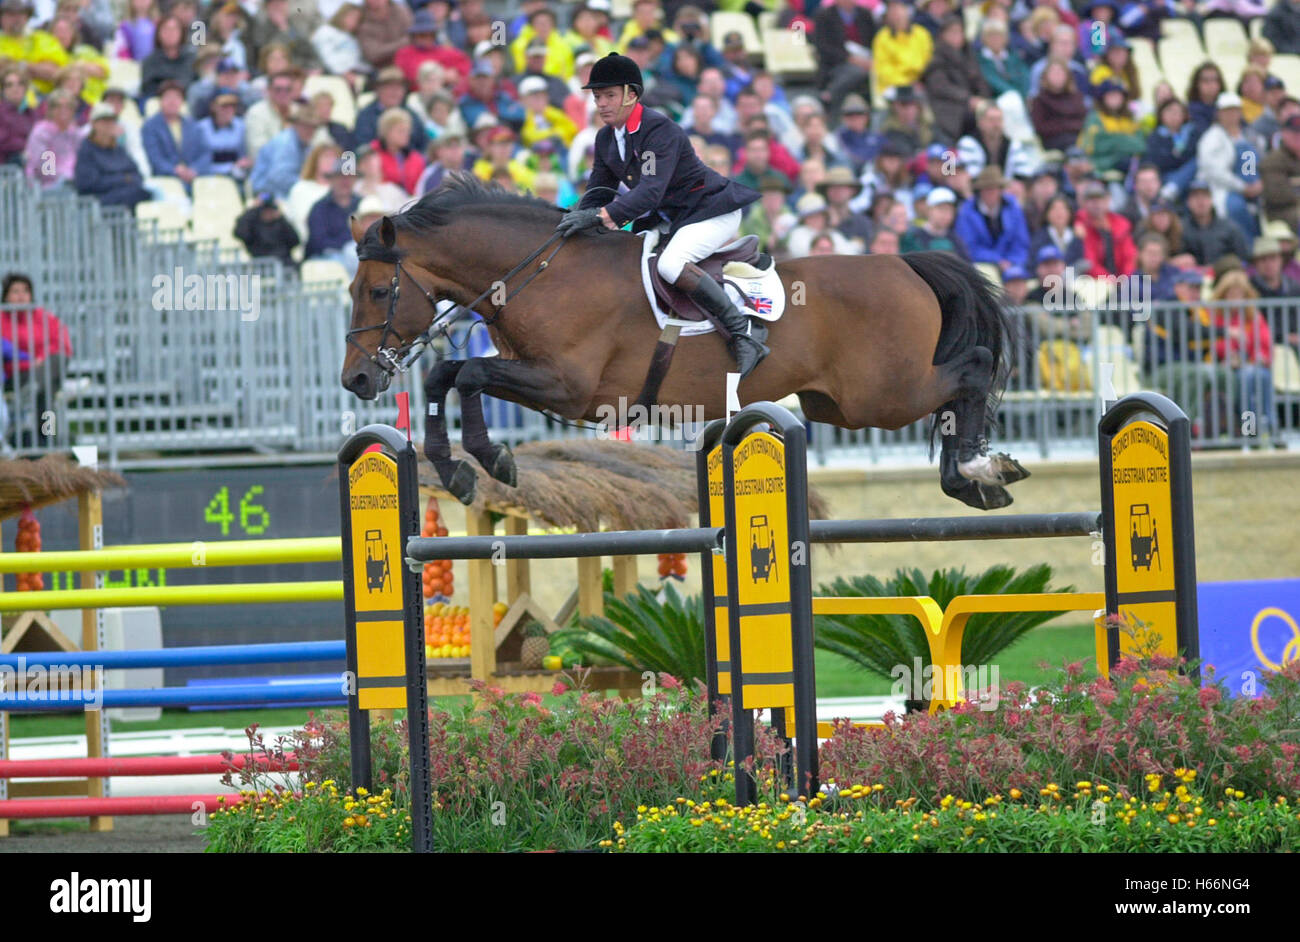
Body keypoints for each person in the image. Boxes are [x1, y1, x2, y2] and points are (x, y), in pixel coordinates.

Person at [558, 52, 765, 377]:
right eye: (597, 96)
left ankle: (743, 334)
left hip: (710, 210)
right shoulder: (605, 139)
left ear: (632, 94)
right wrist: (570, 222)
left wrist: (599, 218)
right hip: (672, 218)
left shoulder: (658, 130)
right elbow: (598, 190)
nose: (601, 103)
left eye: (609, 95)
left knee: (670, 265)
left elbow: (650, 192)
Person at [1211, 269, 1275, 444]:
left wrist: (1260, 356)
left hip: (1253, 366)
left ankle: (1272, 426)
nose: (1236, 298)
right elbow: (1216, 343)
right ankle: (1251, 430)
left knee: (1264, 376)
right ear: (1223, 295)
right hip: (1228, 369)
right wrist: (1231, 356)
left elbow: (1264, 342)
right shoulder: (1216, 318)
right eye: (1231, 294)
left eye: (1240, 294)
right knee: (1246, 378)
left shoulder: (1254, 317)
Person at [1196, 92, 1262, 240]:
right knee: (1236, 208)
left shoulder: (1245, 136)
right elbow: (1215, 171)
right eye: (1227, 111)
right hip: (1223, 189)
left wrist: (1254, 184)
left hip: (1246, 188)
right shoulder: (1211, 138)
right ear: (1219, 113)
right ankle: (1247, 246)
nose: (1231, 115)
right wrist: (1242, 187)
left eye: (1234, 110)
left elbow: (1251, 165)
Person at [73, 102, 149, 209]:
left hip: (126, 196)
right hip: (100, 203)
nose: (108, 125)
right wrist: (123, 179)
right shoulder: (86, 150)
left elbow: (137, 175)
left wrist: (121, 179)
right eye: (104, 121)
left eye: (111, 121)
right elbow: (88, 183)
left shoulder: (118, 149)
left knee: (149, 194)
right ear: (94, 124)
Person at [954, 165, 1030, 273]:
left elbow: (1021, 243)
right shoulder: (966, 212)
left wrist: (1011, 262)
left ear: (1000, 190)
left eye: (994, 188)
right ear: (980, 191)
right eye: (986, 189)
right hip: (980, 266)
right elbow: (968, 247)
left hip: (1012, 265)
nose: (990, 193)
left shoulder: (1013, 208)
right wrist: (997, 260)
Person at [812, 0, 875, 121]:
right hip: (835, 64)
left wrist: (870, 60)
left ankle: (831, 93)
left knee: (865, 73)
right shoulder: (824, 16)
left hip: (866, 61)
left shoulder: (865, 15)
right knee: (857, 72)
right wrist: (849, 58)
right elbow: (823, 47)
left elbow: (874, 41)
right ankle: (831, 96)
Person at [141, 80, 209, 190]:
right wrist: (175, 170)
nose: (172, 102)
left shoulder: (192, 125)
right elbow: (154, 157)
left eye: (177, 97)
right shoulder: (150, 126)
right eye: (168, 97)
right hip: (166, 180)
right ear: (160, 101)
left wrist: (194, 170)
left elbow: (205, 153)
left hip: (194, 178)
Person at [249, 102, 322, 201]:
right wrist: (308, 183)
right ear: (296, 125)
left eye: (313, 127)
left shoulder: (306, 144)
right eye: (305, 126)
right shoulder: (286, 143)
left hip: (285, 193)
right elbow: (278, 177)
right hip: (265, 195)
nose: (310, 131)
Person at [305, 158, 360, 275]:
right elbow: (318, 242)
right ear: (331, 180)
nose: (345, 182)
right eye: (340, 177)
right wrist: (347, 244)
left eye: (349, 177)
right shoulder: (319, 209)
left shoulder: (363, 204)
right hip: (328, 259)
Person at [1075, 179, 1137, 279]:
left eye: (1100, 199)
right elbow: (1090, 261)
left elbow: (1130, 256)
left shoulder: (1121, 225)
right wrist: (1109, 280)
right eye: (1091, 199)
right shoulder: (1082, 226)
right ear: (1084, 203)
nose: (1096, 203)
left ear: (1108, 200)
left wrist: (1125, 278)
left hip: (1122, 280)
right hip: (1095, 283)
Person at [1181, 178, 1251, 267]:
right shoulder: (1180, 228)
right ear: (1188, 202)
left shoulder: (1229, 227)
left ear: (1211, 200)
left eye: (1205, 196)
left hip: (1223, 275)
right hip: (1190, 277)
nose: (1200, 201)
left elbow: (1243, 258)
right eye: (1195, 196)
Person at [24, 89, 84, 189]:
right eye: (58, 106)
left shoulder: (76, 133)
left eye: (68, 106)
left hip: (72, 182)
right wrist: (68, 175)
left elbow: (82, 160)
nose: (63, 110)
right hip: (43, 186)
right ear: (50, 109)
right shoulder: (42, 132)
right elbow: (46, 169)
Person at [234, 192, 299, 268]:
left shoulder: (280, 224)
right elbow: (240, 233)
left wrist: (281, 218)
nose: (268, 213)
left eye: (270, 210)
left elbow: (295, 241)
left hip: (284, 264)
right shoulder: (253, 225)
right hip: (261, 266)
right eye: (264, 210)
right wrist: (253, 210)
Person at [1259, 113, 1300, 232]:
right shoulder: (1273, 162)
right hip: (1282, 213)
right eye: (1294, 133)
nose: (1298, 136)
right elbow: (1278, 195)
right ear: (1283, 134)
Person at [900, 187, 969, 257]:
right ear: (929, 209)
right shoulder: (913, 237)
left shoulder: (956, 240)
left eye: (950, 211)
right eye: (941, 209)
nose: (946, 215)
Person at [140, 15, 195, 98]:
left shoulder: (191, 58)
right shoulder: (150, 60)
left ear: (182, 33)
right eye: (166, 29)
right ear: (158, 33)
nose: (170, 33)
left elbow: (193, 82)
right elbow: (147, 87)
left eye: (174, 29)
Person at [0, 65, 34, 167]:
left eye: (20, 84)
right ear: (3, 90)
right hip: (7, 165)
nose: (15, 88)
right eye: (9, 85)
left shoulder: (33, 114)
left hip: (31, 162)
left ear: (25, 87)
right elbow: (4, 143)